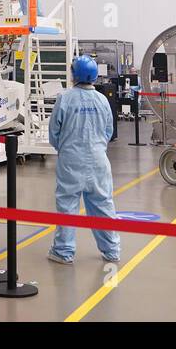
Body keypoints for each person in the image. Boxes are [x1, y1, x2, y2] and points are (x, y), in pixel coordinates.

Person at [48, 55, 121, 264]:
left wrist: (65, 148)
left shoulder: (65, 98)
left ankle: (63, 252)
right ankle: (111, 250)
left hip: (71, 160)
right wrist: (96, 147)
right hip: (99, 160)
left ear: (74, 75)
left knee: (67, 206)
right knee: (103, 205)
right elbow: (109, 130)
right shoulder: (102, 100)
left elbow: (54, 132)